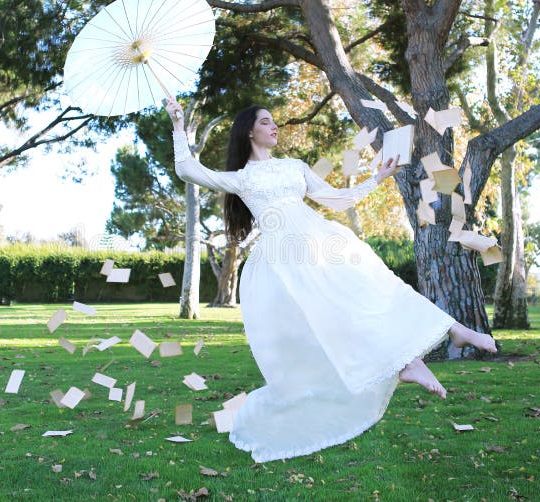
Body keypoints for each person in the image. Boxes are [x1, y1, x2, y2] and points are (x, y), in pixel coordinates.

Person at [164, 98, 497, 463]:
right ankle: (412, 360)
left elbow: (337, 201)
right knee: (334, 319)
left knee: (377, 288)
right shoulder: (242, 178)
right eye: (266, 122)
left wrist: (377, 177)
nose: (275, 126)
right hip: (285, 260)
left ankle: (445, 334)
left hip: (320, 243)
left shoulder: (294, 167)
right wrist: (178, 123)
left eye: (275, 121)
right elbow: (186, 169)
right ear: (249, 131)